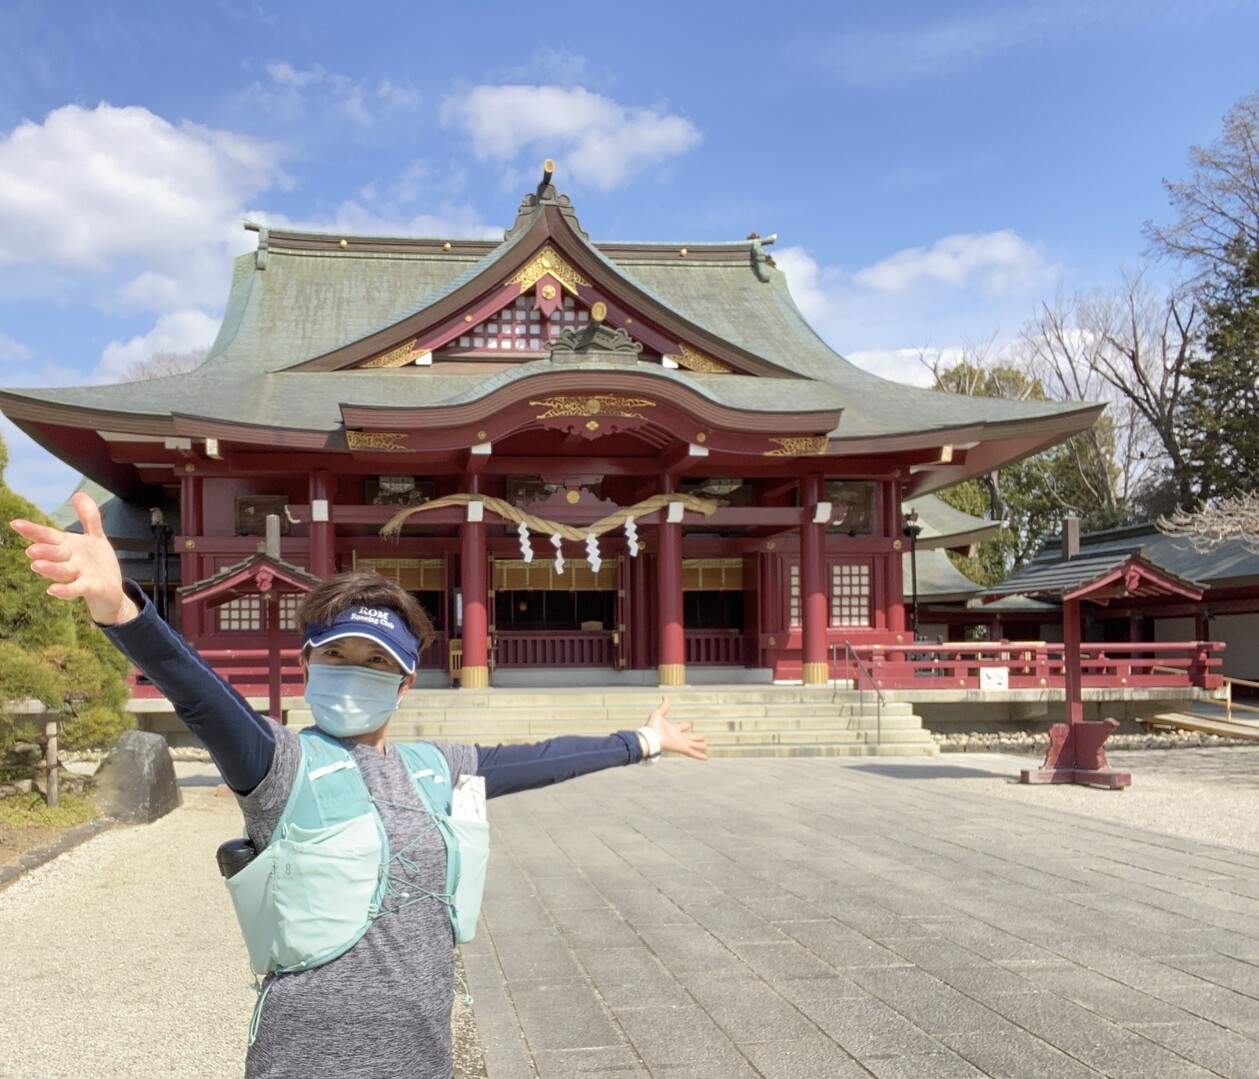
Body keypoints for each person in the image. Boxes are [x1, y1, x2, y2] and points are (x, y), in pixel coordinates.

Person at [11, 493, 707, 1079]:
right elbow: (200, 695)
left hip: (422, 1053)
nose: (351, 669)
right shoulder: (278, 762)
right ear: (309, 663)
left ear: (404, 681)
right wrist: (124, 612)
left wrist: (642, 740)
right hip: (305, 1057)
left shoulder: (439, 767)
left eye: (373, 660)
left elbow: (541, 758)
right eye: (335, 654)